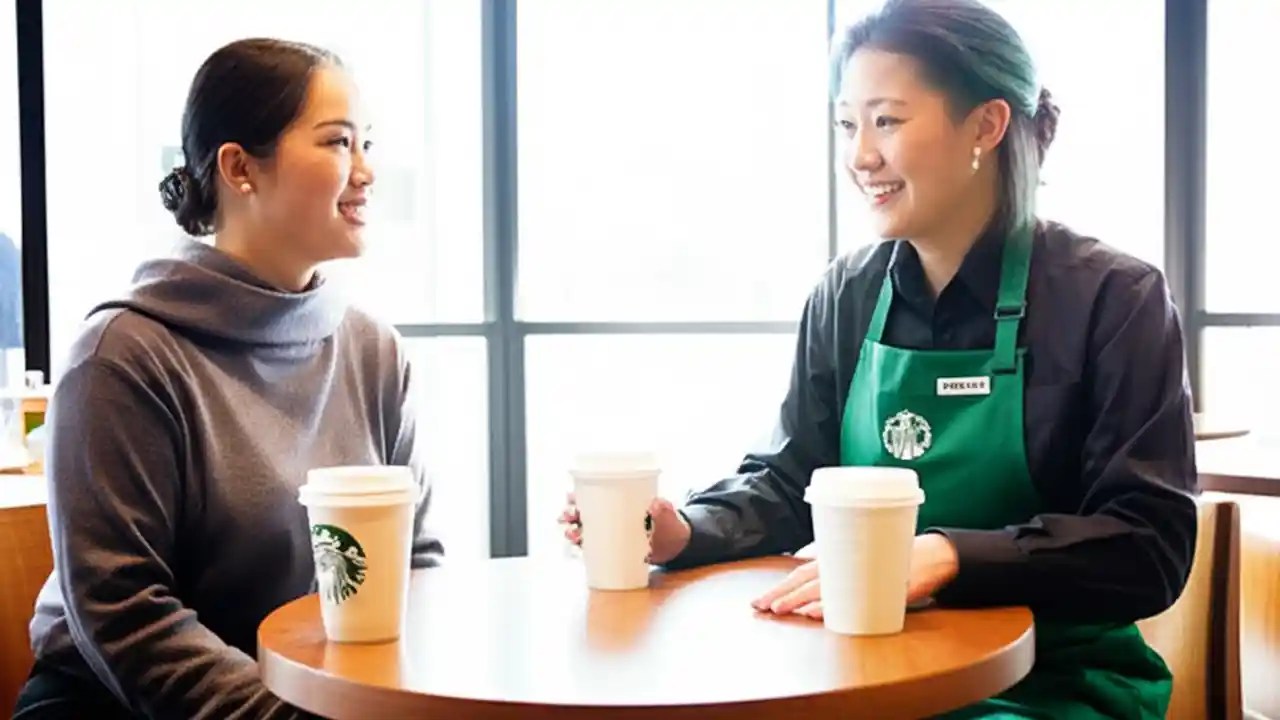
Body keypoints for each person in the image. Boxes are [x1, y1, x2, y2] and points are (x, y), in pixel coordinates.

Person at [561, 0, 1197, 717]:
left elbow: (1151, 545)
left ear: (986, 125)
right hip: (863, 673)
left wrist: (948, 556)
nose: (860, 156)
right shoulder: (846, 294)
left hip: (1053, 684)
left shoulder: (1114, 298)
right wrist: (682, 529)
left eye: (887, 121)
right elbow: (788, 480)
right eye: (847, 125)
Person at [15, 38, 443, 719]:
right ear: (240, 168)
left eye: (367, 143)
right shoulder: (123, 355)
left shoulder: (374, 351)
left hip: (314, 698)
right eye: (337, 143)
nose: (366, 171)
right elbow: (125, 616)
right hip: (115, 702)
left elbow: (416, 566)